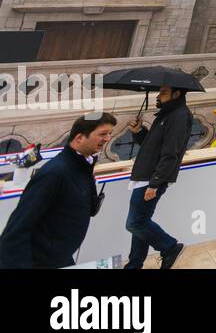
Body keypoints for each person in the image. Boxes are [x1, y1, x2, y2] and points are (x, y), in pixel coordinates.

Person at [0, 113, 117, 268]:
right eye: (102, 134)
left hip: (59, 257)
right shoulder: (55, 173)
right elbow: (16, 230)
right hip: (39, 262)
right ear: (79, 138)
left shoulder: (83, 166)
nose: (108, 138)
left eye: (110, 134)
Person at [124, 86, 192, 269]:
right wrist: (139, 131)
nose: (158, 95)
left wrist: (155, 183)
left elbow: (171, 153)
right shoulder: (167, 114)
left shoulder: (179, 116)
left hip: (151, 179)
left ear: (176, 94)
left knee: (135, 223)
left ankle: (170, 247)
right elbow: (152, 146)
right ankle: (135, 264)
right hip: (146, 176)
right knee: (141, 222)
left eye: (163, 92)